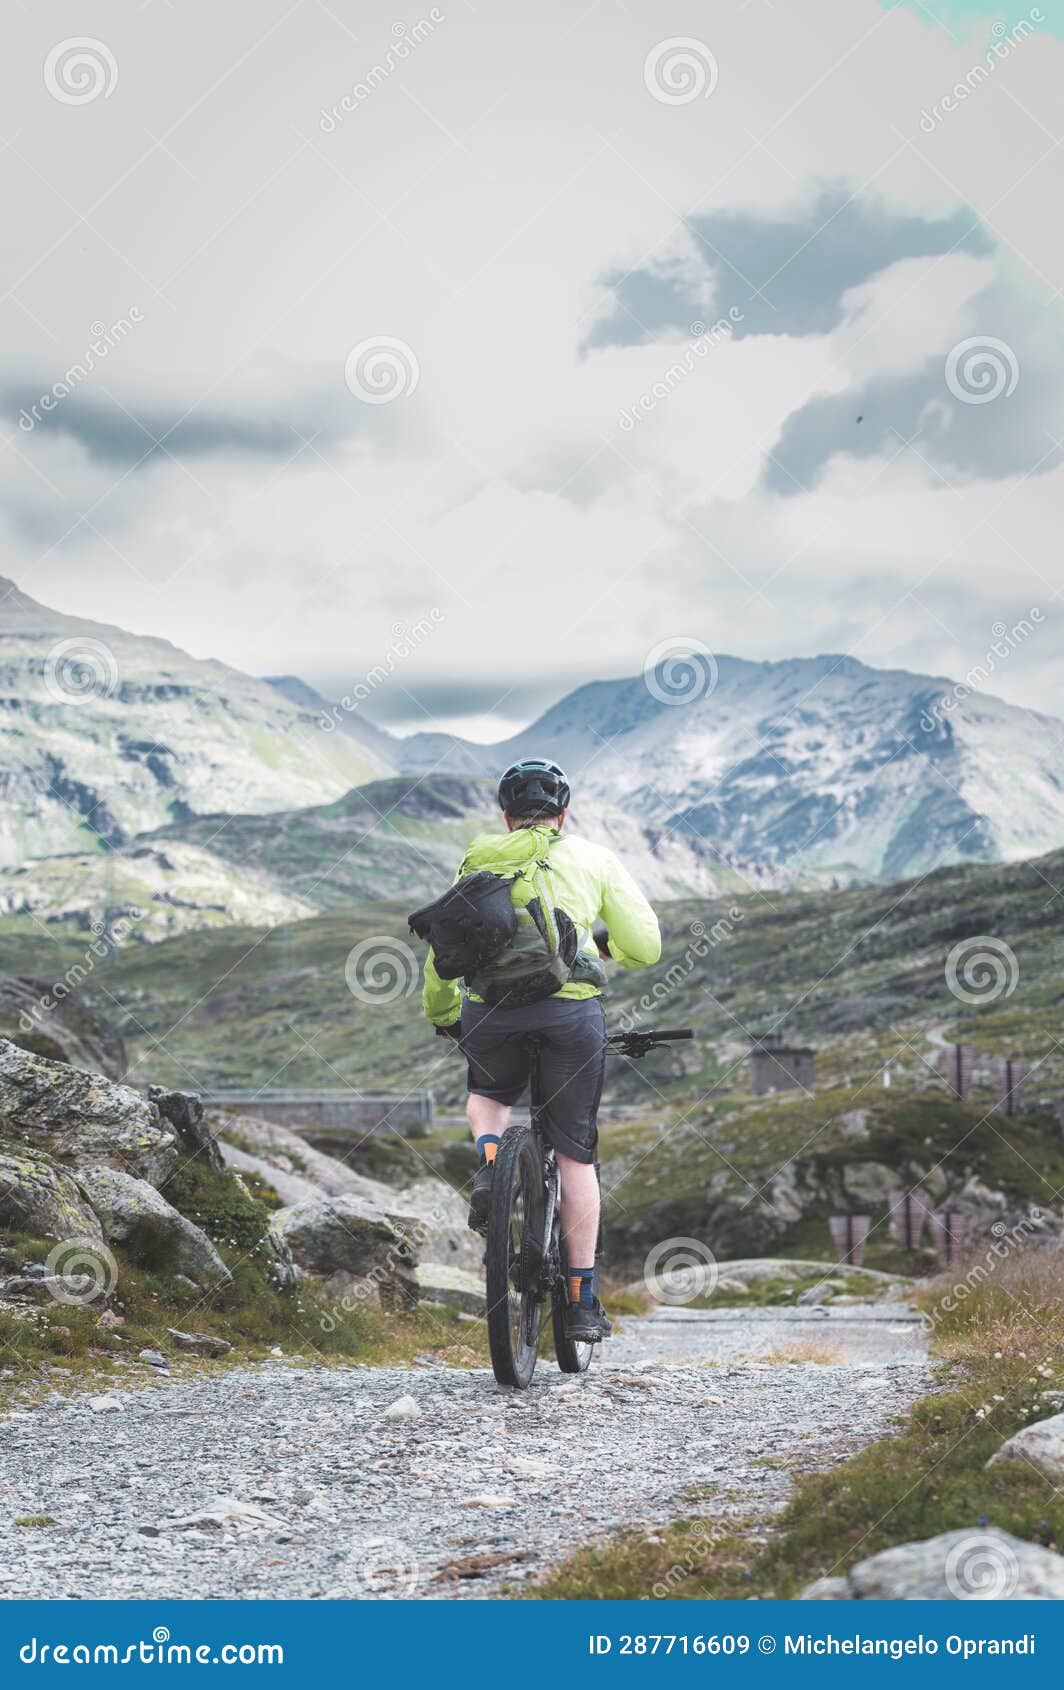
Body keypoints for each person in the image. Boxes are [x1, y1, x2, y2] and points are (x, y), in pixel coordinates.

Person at [421, 757, 661, 1342]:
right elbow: (646, 946)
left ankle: (489, 1165)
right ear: (563, 813)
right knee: (576, 1156)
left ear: (505, 816)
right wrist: (607, 955)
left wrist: (444, 1015)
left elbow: (447, 944)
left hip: (490, 1011)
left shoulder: (478, 857)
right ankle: (581, 1299)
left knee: (487, 1094)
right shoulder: (594, 858)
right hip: (570, 1014)